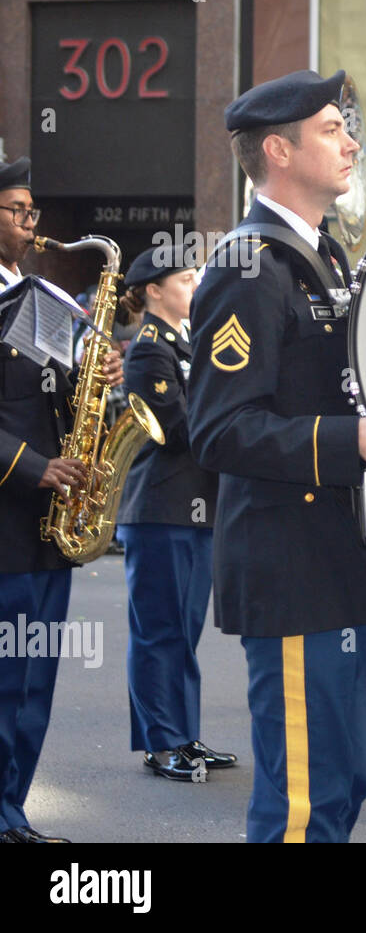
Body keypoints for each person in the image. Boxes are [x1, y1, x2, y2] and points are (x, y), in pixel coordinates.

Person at [188, 70, 366, 842]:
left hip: (345, 561)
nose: (350, 141)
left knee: (344, 782)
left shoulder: (322, 256)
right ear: (278, 150)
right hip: (292, 568)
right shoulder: (248, 267)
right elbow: (220, 429)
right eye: (331, 128)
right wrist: (353, 440)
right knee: (301, 801)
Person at [0, 156, 122, 842]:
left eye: (31, 212)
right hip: (9, 518)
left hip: (49, 529)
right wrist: (33, 468)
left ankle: (14, 810)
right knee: (3, 682)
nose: (30, 224)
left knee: (34, 686)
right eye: (16, 210)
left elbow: (54, 398)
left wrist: (92, 372)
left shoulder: (41, 298)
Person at [117, 244, 235, 782]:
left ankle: (183, 735)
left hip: (191, 508)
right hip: (161, 505)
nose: (194, 286)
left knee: (182, 631)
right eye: (185, 280)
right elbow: (179, 430)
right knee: (159, 631)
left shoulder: (185, 343)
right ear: (153, 291)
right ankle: (160, 743)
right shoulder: (148, 349)